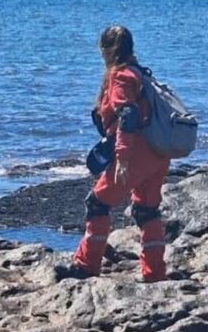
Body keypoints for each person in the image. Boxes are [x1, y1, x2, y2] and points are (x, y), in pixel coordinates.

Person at [60, 25, 169, 282]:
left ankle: (86, 266)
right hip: (158, 153)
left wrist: (122, 156)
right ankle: (154, 272)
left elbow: (127, 115)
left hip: (136, 154)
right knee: (147, 211)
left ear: (107, 50)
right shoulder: (141, 74)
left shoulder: (120, 77)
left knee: (97, 204)